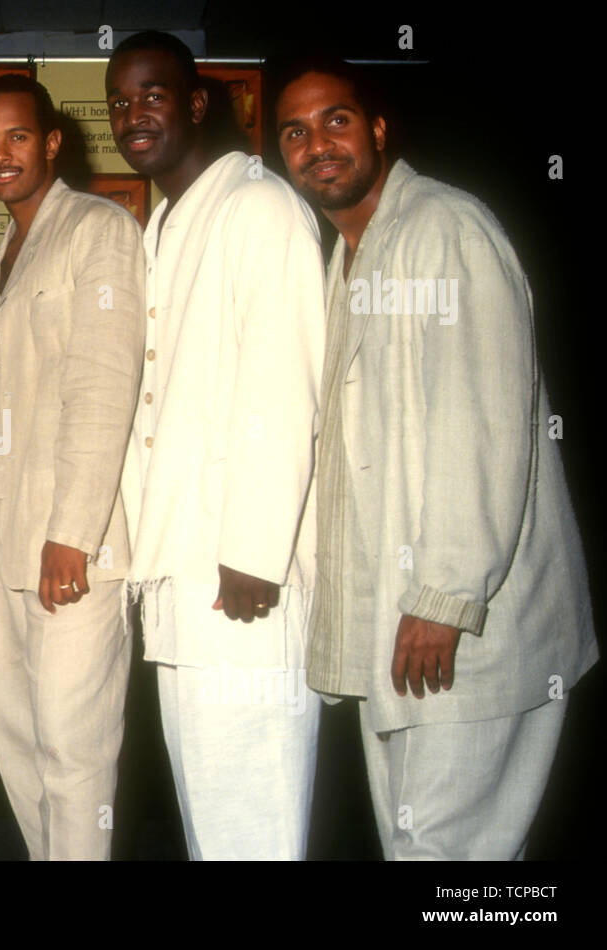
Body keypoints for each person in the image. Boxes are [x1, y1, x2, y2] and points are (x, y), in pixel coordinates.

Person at [274, 57, 599, 859]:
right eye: (295, 132)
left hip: (463, 624)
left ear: (380, 129)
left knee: (445, 856)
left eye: (336, 121)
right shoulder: (350, 255)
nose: (317, 144)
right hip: (408, 625)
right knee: (444, 853)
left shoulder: (445, 227)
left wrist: (446, 595)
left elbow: (482, 424)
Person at [106, 31, 326, 860]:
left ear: (197, 103)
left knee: (253, 827)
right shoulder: (165, 220)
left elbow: (283, 385)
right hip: (181, 578)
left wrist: (255, 555)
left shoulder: (259, 205)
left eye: (152, 95)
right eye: (119, 103)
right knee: (214, 821)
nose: (134, 116)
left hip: (242, 586)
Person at [0, 74, 145, 860]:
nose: (0, 155)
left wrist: (70, 533)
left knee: (74, 759)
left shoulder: (99, 229)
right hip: (1, 545)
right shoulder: (2, 252)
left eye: (16, 137)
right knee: (19, 751)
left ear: (51, 143)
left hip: (73, 551)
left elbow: (103, 387)